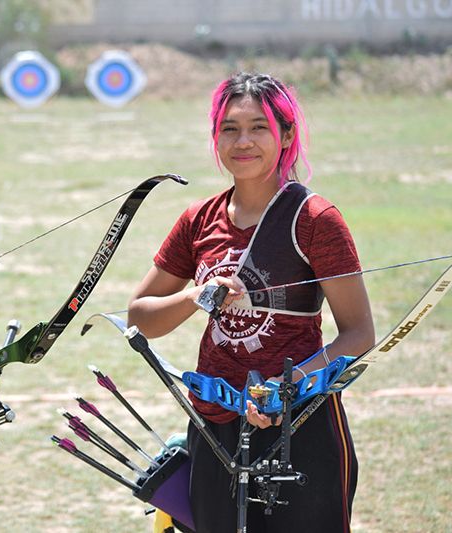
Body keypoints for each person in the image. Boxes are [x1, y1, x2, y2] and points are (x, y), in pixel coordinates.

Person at [128, 72, 375, 533]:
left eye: (259, 127)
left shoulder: (315, 219)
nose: (243, 141)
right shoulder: (198, 219)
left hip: (298, 424)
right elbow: (141, 317)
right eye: (230, 128)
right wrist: (197, 295)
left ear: (287, 135)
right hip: (214, 421)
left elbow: (359, 333)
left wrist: (285, 387)